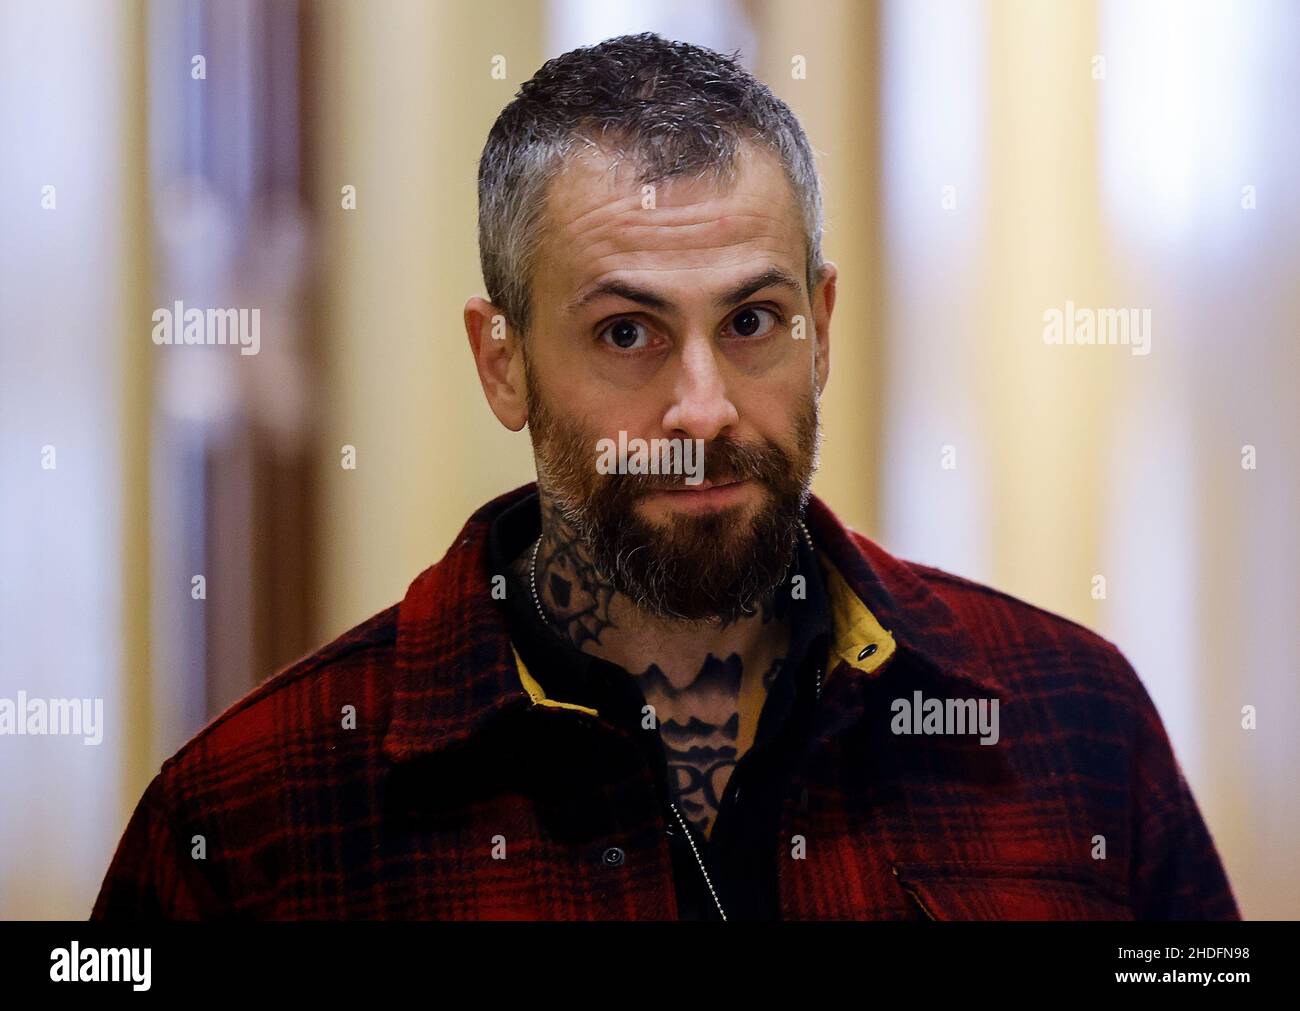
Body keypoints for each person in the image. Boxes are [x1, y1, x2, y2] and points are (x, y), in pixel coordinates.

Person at [92, 32, 1239, 921]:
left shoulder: (1068, 727)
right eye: (627, 334)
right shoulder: (254, 820)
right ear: (503, 365)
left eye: (751, 320)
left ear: (822, 329)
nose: (703, 405)